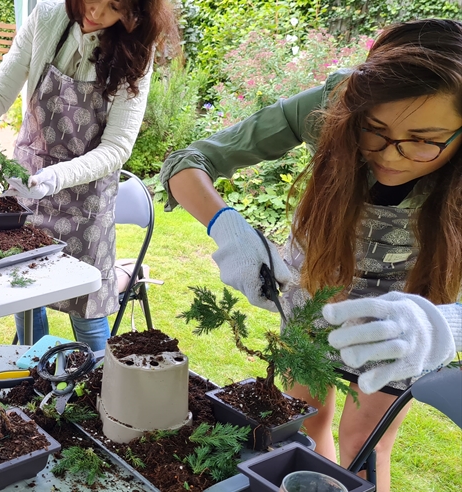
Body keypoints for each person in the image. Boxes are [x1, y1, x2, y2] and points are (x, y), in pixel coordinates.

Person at [161, 19, 461, 492]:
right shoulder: (335, 102)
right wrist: (228, 227)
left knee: (365, 443)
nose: (392, 156)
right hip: (310, 299)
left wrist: (446, 324)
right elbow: (188, 162)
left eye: (423, 140)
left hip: (401, 330)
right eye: (373, 130)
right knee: (301, 423)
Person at [0, 0, 178, 351]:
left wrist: (56, 177)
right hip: (27, 189)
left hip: (86, 203)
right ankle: (34, 374)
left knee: (87, 310)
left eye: (114, 7)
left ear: (134, 14)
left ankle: (98, 387)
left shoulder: (134, 54)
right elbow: (2, 86)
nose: (96, 12)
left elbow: (116, 148)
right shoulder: (49, 17)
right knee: (26, 296)